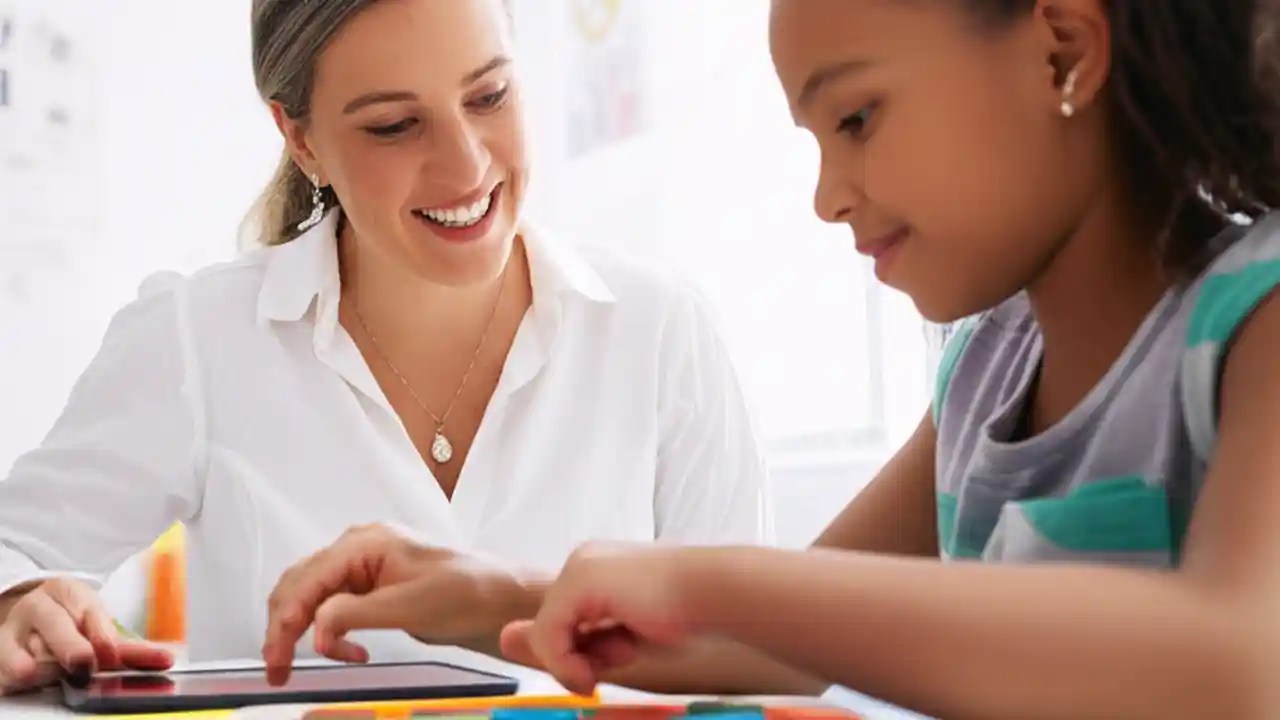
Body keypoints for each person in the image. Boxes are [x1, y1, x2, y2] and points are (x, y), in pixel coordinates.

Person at [278, 0, 1280, 715]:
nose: (827, 195)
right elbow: (783, 647)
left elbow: (1240, 664)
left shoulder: (1256, 317)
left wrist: (713, 582)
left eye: (854, 119)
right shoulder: (983, 376)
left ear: (1061, 48)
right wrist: (497, 600)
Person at [0, 0, 775, 696]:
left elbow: (757, 646)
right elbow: (14, 552)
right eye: (394, 125)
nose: (467, 164)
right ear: (300, 139)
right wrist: (21, 600)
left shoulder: (659, 330)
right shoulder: (199, 336)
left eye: (490, 96)